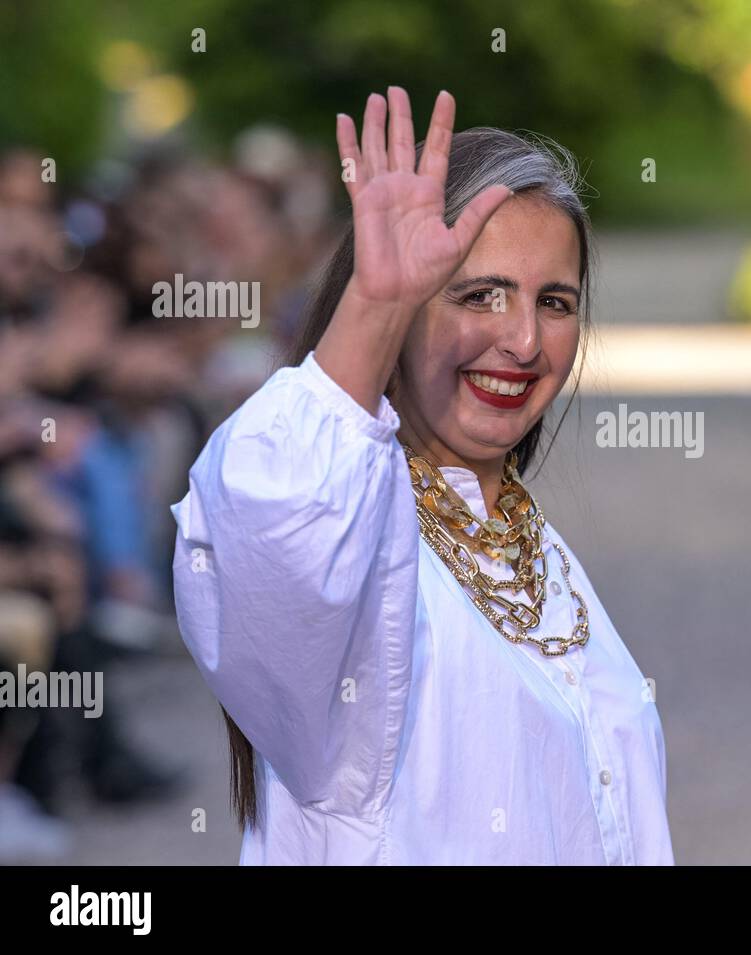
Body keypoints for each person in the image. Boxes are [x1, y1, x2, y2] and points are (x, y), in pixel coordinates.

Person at [170, 87, 674, 864]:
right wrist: (375, 305)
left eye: (556, 301)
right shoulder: (357, 563)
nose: (525, 339)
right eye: (479, 295)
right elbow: (267, 517)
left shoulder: (526, 546)